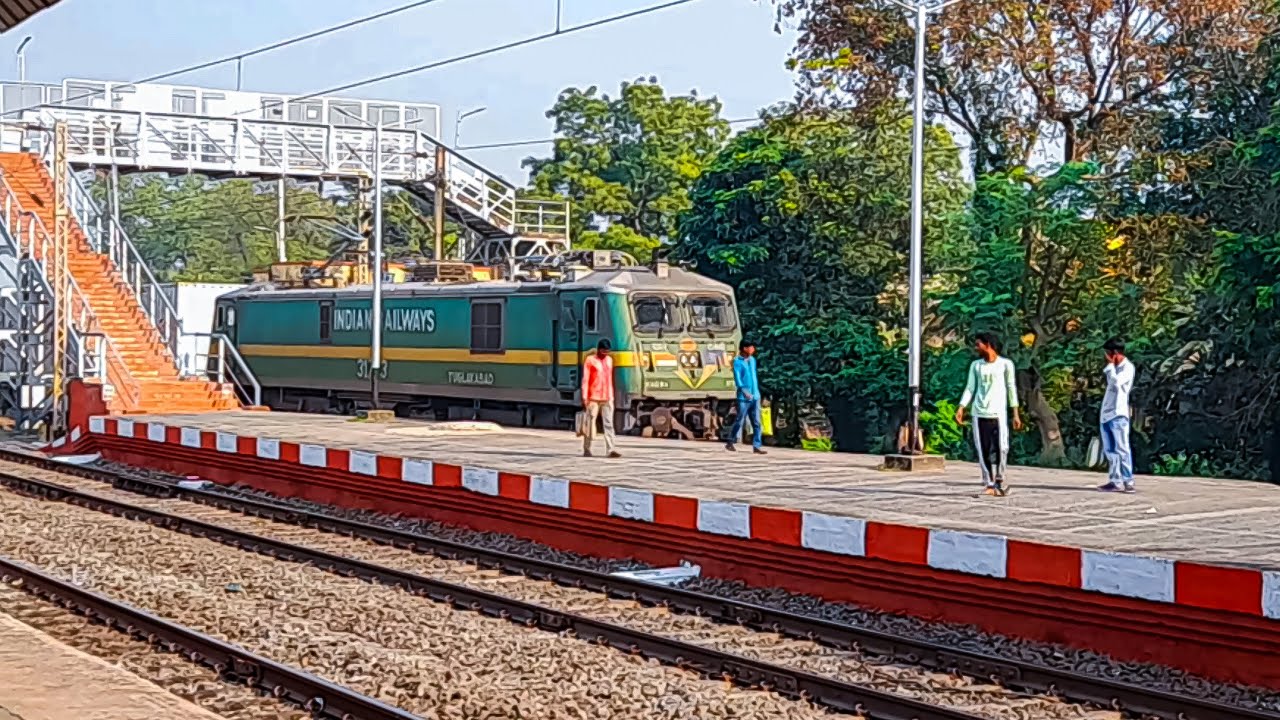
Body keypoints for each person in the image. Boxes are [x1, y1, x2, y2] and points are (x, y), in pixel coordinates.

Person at [954, 332, 1022, 496]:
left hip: (998, 413)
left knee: (1002, 447)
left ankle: (1000, 479)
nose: (976, 348)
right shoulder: (976, 366)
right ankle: (989, 482)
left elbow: (1011, 388)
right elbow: (970, 387)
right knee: (982, 448)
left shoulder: (1005, 364)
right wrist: (962, 407)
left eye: (978, 344)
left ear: (988, 345)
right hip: (979, 412)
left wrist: (1016, 413)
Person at [1097, 337, 1136, 493]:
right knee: (1110, 450)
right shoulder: (1115, 368)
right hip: (1107, 414)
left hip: (1118, 414)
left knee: (1122, 448)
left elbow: (1117, 384)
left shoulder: (1127, 368)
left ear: (1114, 353)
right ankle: (1115, 480)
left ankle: (1128, 480)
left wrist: (1110, 366)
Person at [581, 339, 621, 458]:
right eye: (604, 351)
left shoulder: (609, 360)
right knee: (590, 423)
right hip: (593, 397)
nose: (605, 354)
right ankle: (587, 448)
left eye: (607, 352)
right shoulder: (590, 361)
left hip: (607, 396)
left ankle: (610, 449)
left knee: (609, 424)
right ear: (599, 350)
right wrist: (584, 396)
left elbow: (610, 379)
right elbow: (585, 379)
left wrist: (612, 396)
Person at [726, 340, 767, 454]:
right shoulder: (737, 362)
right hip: (744, 397)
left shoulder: (752, 360)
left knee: (757, 422)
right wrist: (743, 390)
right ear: (745, 348)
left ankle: (757, 445)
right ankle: (730, 440)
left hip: (755, 396)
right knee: (740, 419)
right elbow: (738, 378)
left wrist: (756, 393)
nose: (753, 349)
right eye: (751, 347)